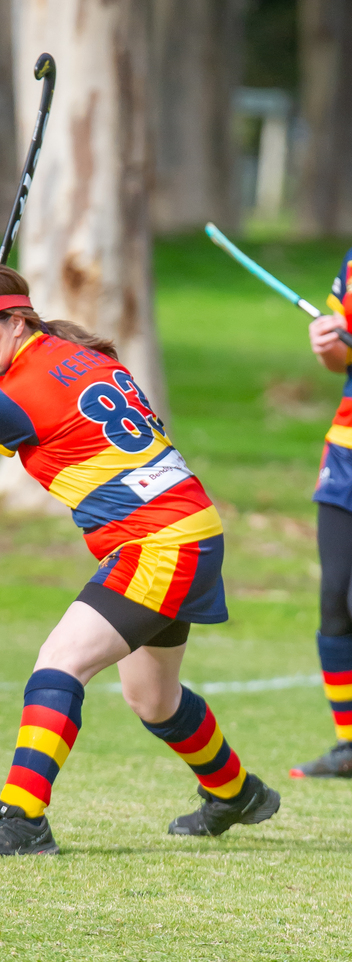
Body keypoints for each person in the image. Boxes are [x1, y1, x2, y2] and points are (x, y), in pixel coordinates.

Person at [0, 263, 280, 855]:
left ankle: (21, 821)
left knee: (60, 662)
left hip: (158, 541)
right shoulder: (77, 353)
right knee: (153, 699)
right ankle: (238, 794)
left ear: (16, 321)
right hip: (191, 528)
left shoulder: (12, 394)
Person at [290, 253, 352, 778]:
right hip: (346, 453)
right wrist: (329, 346)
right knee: (335, 599)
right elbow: (340, 362)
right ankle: (349, 744)